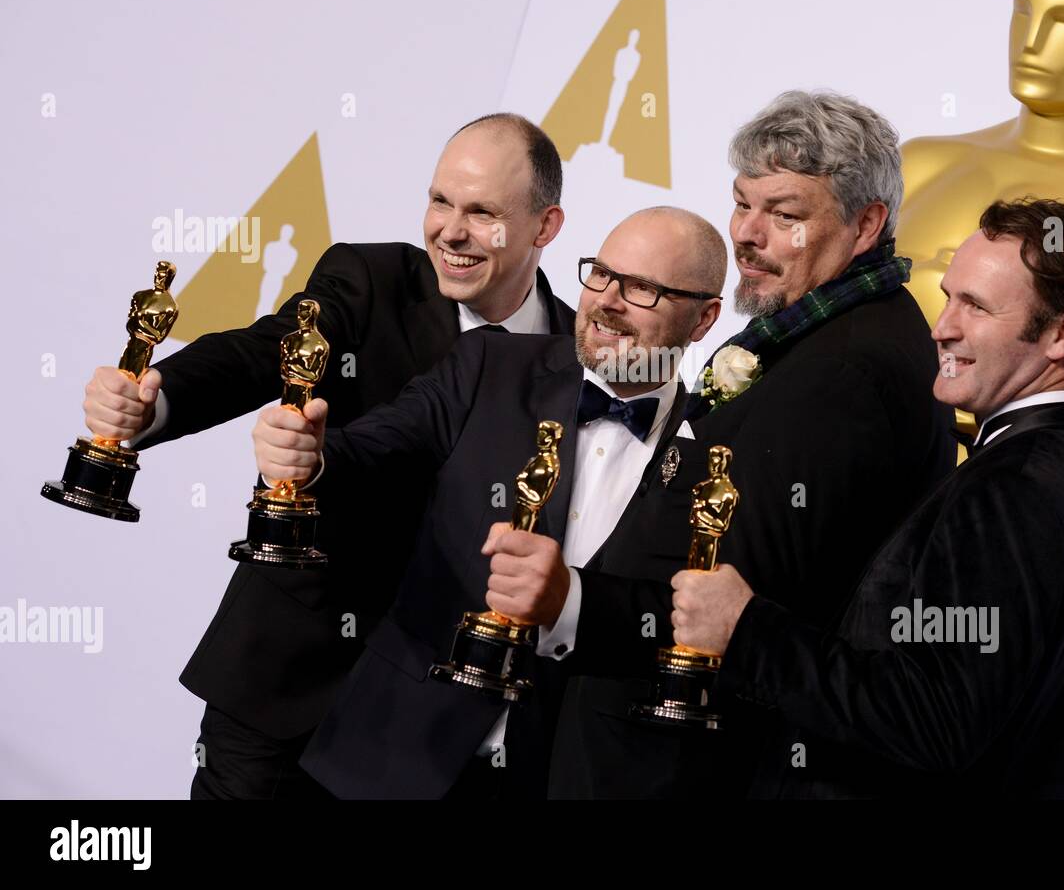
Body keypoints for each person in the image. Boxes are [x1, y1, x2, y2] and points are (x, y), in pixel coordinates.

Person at [80, 112, 573, 799]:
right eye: (439, 201)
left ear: (544, 226)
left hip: (427, 725)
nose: (450, 231)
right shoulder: (370, 280)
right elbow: (265, 349)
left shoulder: (578, 357)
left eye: (482, 211)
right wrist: (155, 401)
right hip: (283, 685)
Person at [504, 90, 957, 798]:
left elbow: (732, 603)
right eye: (743, 203)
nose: (747, 234)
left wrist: (571, 601)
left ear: (866, 224)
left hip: (679, 766)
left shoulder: (851, 370)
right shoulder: (816, 337)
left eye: (785, 214)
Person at [671, 197, 1064, 798]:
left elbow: (935, 721)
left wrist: (748, 629)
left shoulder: (1010, 487)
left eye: (976, 307)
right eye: (950, 298)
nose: (943, 327)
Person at [252, 207, 728, 798]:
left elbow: (692, 627)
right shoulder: (489, 364)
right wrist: (313, 457)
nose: (607, 301)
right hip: (395, 750)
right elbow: (377, 448)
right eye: (601, 274)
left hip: (564, 773)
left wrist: (570, 606)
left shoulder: (718, 449)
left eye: (642, 289)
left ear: (705, 317)